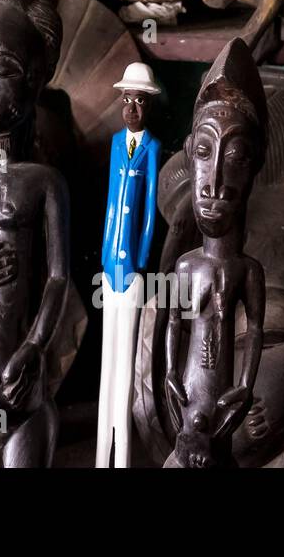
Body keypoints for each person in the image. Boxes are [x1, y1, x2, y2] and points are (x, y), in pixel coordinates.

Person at [96, 62, 162, 468]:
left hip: (131, 270)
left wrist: (138, 259)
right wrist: (107, 253)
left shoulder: (152, 147)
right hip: (109, 266)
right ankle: (102, 454)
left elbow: (151, 209)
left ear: (148, 105)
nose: (132, 107)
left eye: (139, 100)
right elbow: (109, 203)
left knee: (125, 369)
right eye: (127, 99)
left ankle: (123, 458)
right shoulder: (117, 143)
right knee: (107, 368)